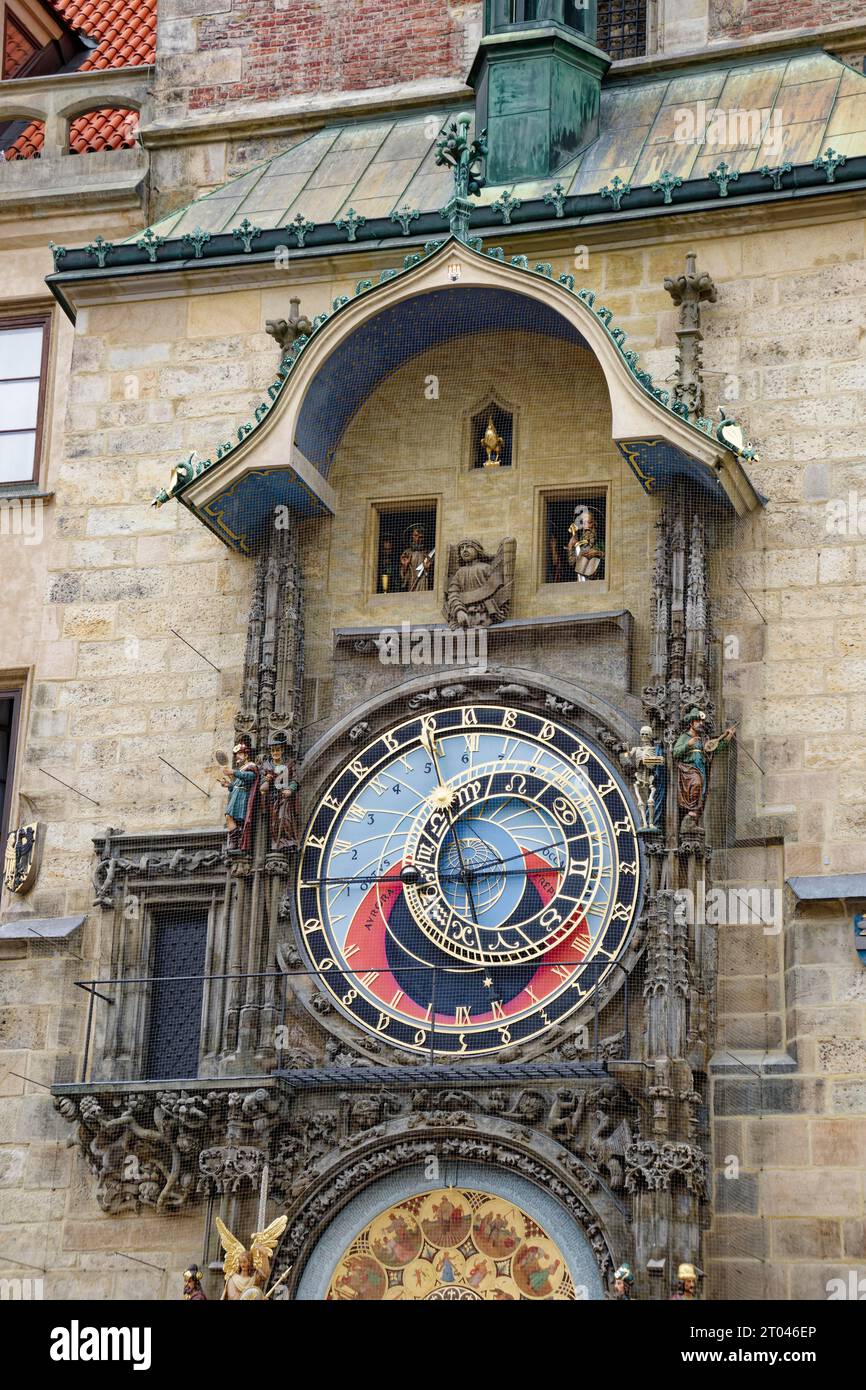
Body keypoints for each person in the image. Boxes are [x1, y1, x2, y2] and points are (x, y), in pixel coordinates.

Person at [400, 524, 433, 591]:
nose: (417, 539)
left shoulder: (427, 554)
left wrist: (427, 569)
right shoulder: (407, 553)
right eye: (415, 536)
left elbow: (432, 575)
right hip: (411, 584)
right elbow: (402, 576)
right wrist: (405, 566)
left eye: (420, 537)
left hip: (423, 584)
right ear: (411, 536)